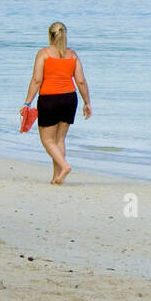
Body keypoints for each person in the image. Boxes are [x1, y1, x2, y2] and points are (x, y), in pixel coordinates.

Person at [22, 22, 91, 185]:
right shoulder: (73, 55)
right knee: (59, 140)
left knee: (47, 141)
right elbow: (80, 81)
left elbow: (37, 79)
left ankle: (65, 166)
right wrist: (87, 102)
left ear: (50, 35)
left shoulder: (43, 54)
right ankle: (56, 178)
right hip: (69, 99)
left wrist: (27, 103)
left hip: (49, 99)